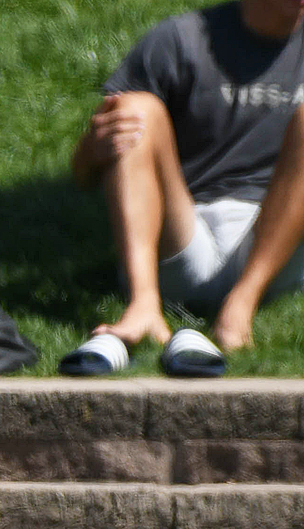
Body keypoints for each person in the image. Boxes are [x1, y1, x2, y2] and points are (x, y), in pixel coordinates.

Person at [63, 0, 304, 376]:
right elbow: (82, 176)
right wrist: (92, 150)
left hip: (275, 245)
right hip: (183, 230)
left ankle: (241, 306)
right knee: (135, 108)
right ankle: (143, 303)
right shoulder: (180, 40)